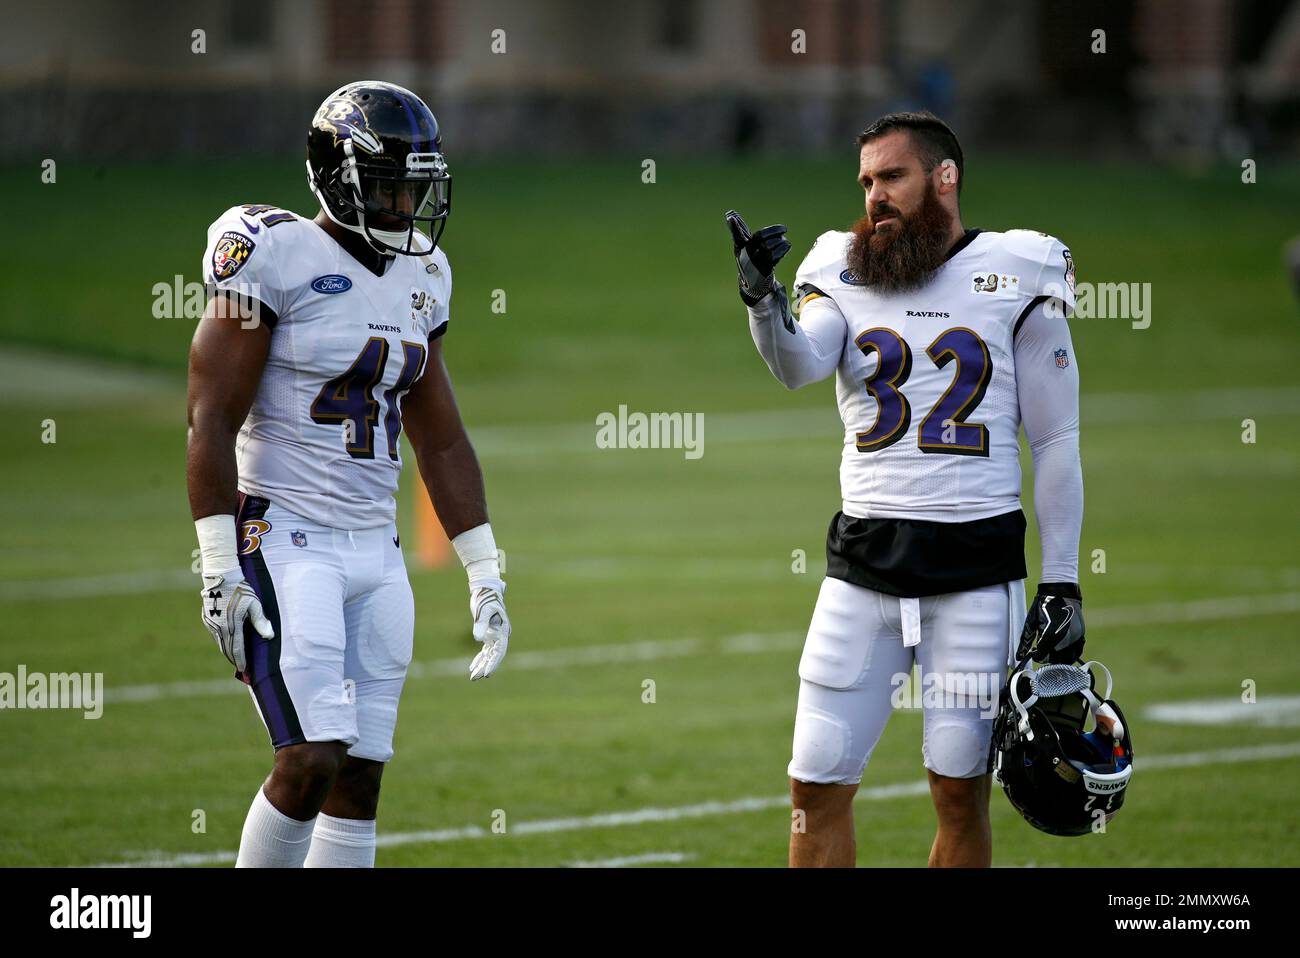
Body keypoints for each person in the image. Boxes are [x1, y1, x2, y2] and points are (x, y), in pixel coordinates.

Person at [727, 111, 1086, 867]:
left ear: (944, 177)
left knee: (959, 793)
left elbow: (1055, 441)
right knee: (814, 787)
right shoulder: (839, 266)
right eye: (866, 181)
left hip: (975, 571)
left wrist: (1062, 585)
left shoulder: (1017, 269)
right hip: (863, 566)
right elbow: (799, 364)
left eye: (892, 176)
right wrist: (763, 302)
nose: (875, 197)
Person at [186, 81, 511, 868]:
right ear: (338, 174)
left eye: (418, 182)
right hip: (286, 536)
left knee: (359, 779)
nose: (409, 200)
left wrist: (484, 570)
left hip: (376, 548)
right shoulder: (272, 248)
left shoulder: (424, 274)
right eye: (393, 180)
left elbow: (440, 438)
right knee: (309, 761)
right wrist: (220, 564)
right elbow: (212, 419)